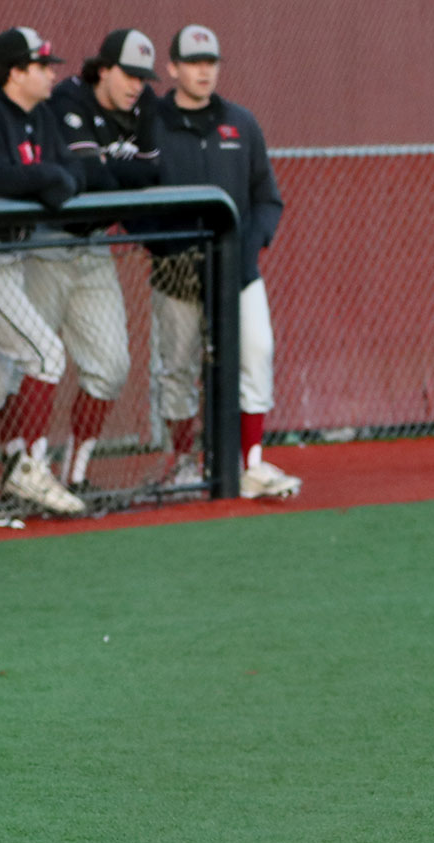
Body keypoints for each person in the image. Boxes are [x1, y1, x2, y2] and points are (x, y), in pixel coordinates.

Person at [149, 24, 296, 499]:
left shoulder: (241, 123)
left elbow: (267, 200)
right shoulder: (152, 122)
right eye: (192, 62)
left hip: (238, 273)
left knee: (257, 352)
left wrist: (245, 251)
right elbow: (136, 201)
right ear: (172, 68)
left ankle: (251, 462)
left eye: (210, 62)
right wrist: (167, 249)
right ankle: (183, 462)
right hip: (177, 275)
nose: (203, 71)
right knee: (176, 367)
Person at [0, 25, 84, 515]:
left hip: (9, 258)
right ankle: (30, 467)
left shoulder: (40, 113)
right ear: (14, 73)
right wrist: (46, 177)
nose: (51, 74)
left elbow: (72, 171)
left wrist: (47, 177)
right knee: (46, 354)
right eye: (41, 66)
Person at [35, 27, 161, 492]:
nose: (136, 86)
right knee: (32, 364)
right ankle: (24, 469)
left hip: (91, 246)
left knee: (111, 366)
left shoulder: (143, 104)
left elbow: (153, 171)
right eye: (128, 75)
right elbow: (90, 177)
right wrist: (122, 177)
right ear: (102, 69)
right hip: (43, 243)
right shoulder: (68, 100)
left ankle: (76, 473)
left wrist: (117, 175)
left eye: (143, 77)